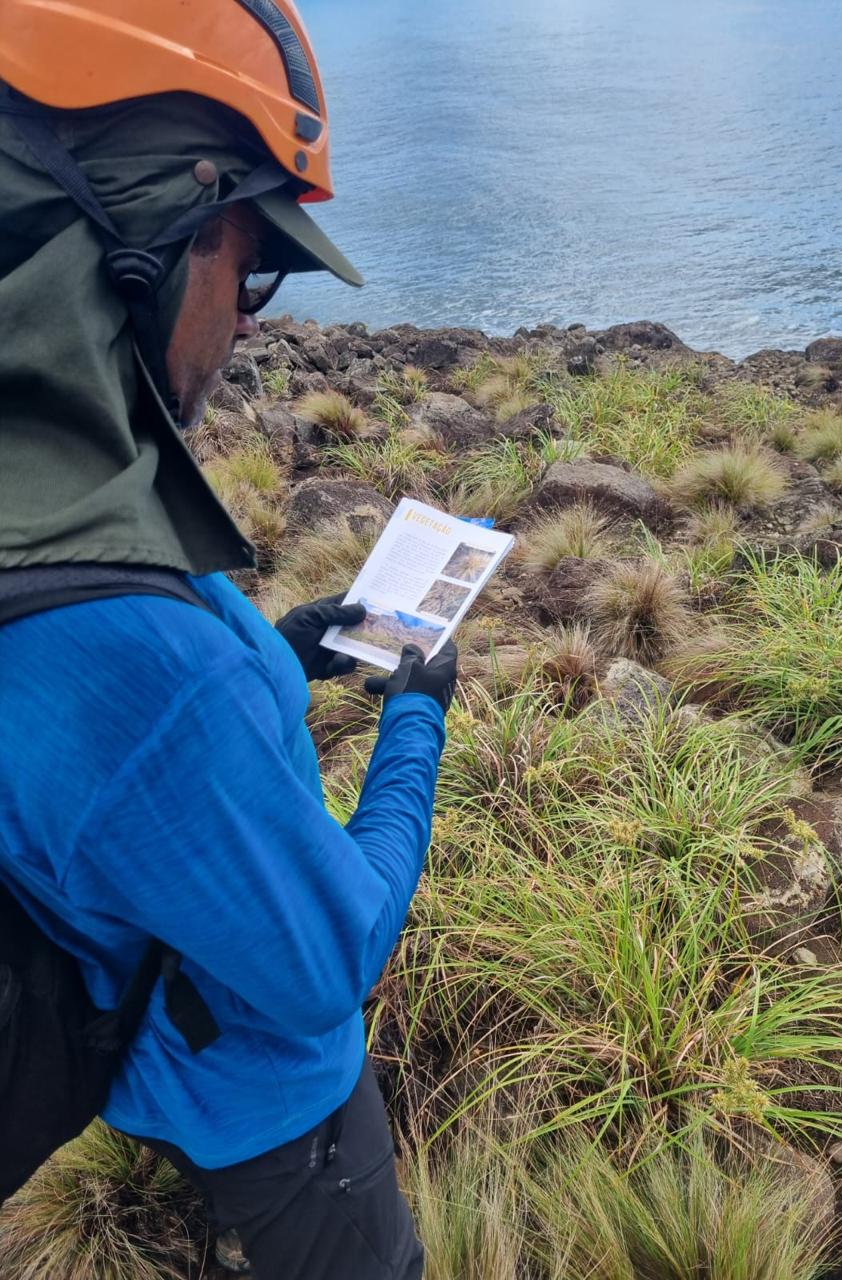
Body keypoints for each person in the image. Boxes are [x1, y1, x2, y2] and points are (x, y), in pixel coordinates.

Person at [0, 3, 456, 1276]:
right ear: (139, 250)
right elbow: (333, 956)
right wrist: (418, 714)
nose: (253, 319)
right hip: (272, 1107)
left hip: (145, 1054)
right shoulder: (152, 676)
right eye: (249, 266)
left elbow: (94, 751)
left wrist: (286, 646)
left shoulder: (55, 490)